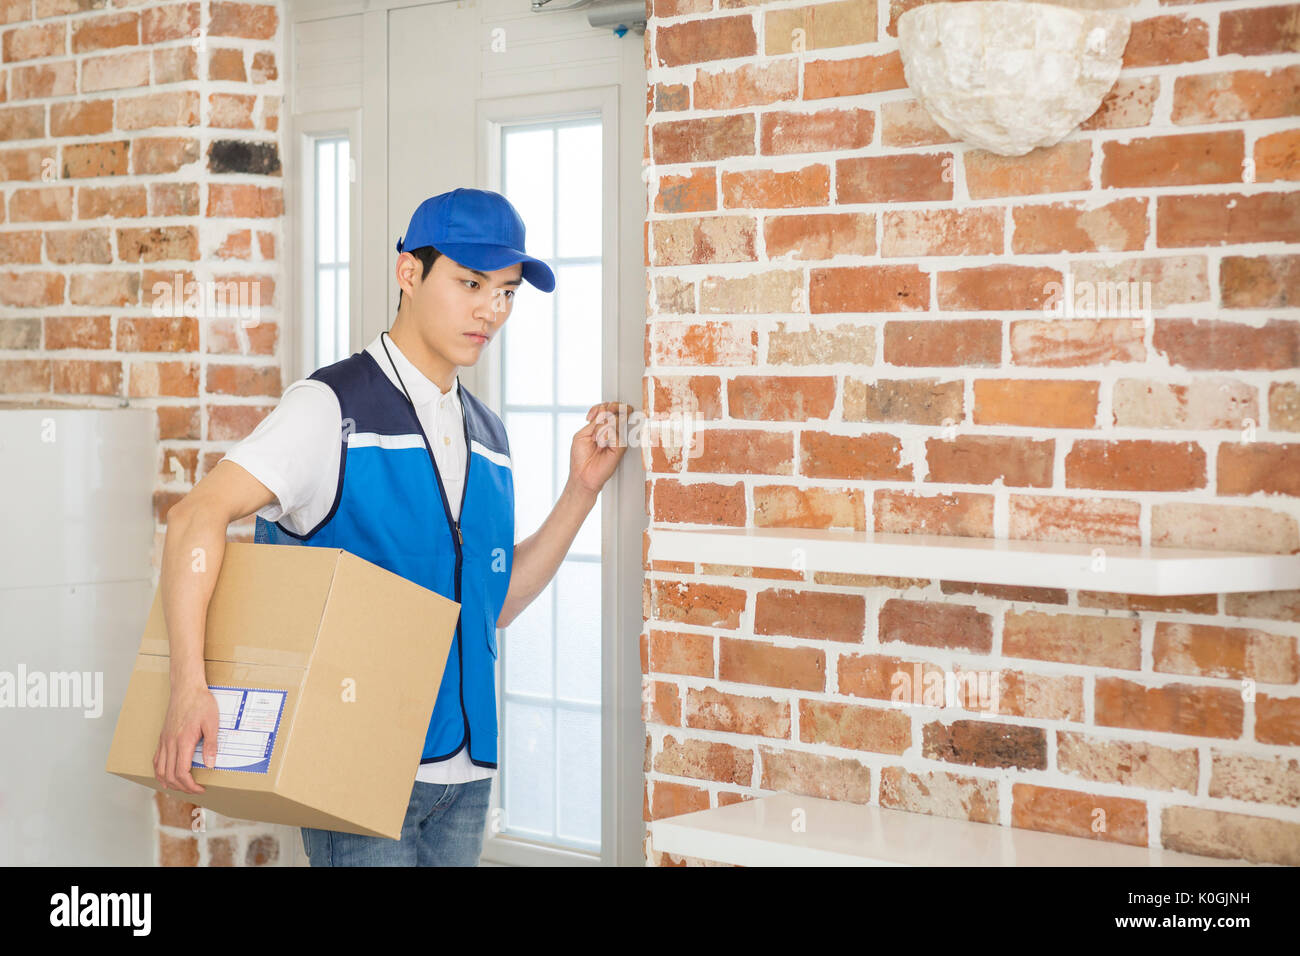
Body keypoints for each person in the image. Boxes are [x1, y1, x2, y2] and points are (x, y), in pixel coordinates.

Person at [151, 187, 633, 865]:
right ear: (409, 272)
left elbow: (492, 606)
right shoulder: (330, 407)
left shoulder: (489, 435)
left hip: (465, 780)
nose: (492, 310)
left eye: (507, 291)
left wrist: (581, 491)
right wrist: (188, 686)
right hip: (357, 765)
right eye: (471, 283)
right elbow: (193, 518)